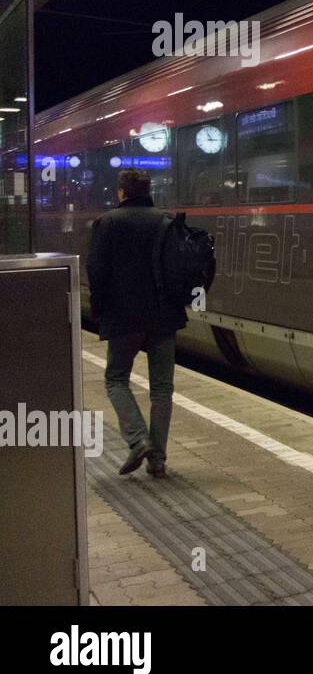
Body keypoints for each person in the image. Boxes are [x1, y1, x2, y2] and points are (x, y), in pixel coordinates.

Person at [87, 168, 187, 477]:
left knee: (116, 379)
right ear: (148, 189)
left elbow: (97, 272)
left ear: (121, 192)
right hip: (162, 317)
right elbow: (177, 271)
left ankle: (138, 438)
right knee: (162, 389)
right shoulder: (167, 222)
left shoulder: (106, 223)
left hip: (123, 317)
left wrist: (100, 312)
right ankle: (156, 458)